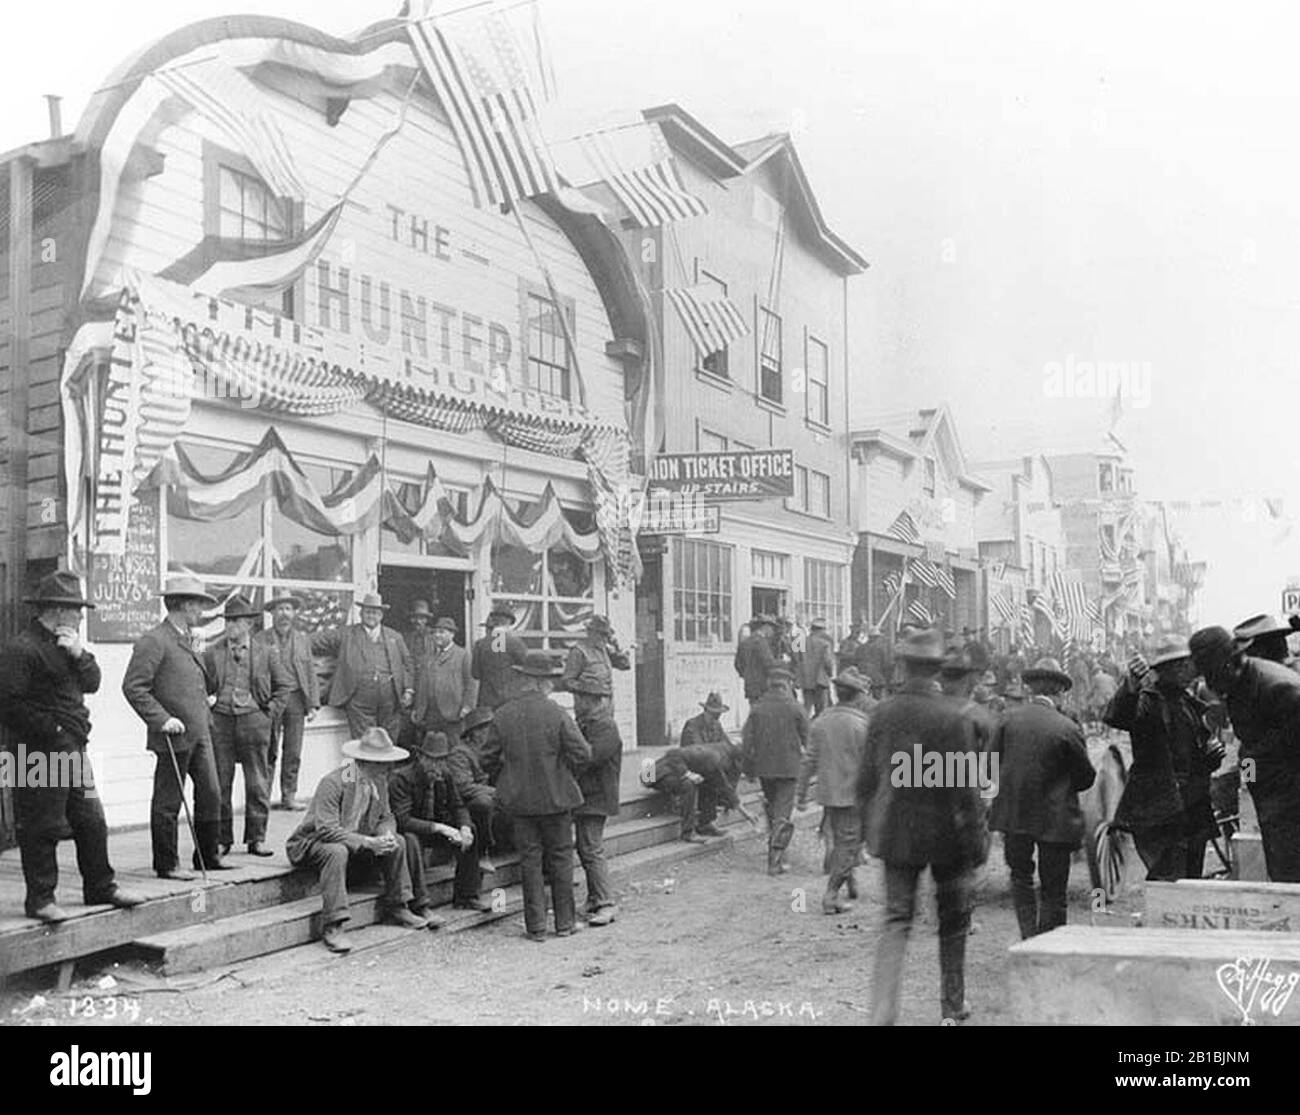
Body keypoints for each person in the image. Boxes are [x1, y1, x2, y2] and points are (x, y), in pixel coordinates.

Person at [857, 627, 988, 1026]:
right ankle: (952, 1008)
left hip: (897, 831)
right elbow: (966, 791)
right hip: (948, 834)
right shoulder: (956, 716)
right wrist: (978, 840)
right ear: (938, 669)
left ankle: (882, 1014)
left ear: (903, 665)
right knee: (953, 923)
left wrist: (869, 830)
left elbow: (866, 781)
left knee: (896, 921)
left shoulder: (882, 712)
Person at [0, 571, 144, 921]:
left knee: (92, 820)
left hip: (73, 750)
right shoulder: (21, 648)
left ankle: (100, 887)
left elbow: (93, 682)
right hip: (34, 752)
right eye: (77, 610)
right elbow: (10, 704)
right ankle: (40, 900)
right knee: (42, 825)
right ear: (59, 611)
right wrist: (57, 728)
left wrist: (79, 652)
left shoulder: (68, 645)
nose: (80, 616)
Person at [286, 727, 430, 953]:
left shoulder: (378, 781)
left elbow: (387, 816)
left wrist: (386, 835)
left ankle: (398, 905)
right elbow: (327, 830)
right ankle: (333, 924)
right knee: (336, 851)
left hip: (353, 842)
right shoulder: (335, 782)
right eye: (383, 762)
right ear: (367, 762)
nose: (388, 768)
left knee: (400, 842)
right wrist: (368, 842)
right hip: (313, 844)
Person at [122, 575, 228, 879]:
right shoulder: (154, 640)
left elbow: (203, 680)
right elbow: (134, 687)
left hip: (201, 731)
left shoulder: (191, 637)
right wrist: (162, 719)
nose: (201, 610)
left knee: (210, 792)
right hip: (173, 734)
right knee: (168, 800)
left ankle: (207, 857)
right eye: (197, 604)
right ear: (181, 604)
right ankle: (167, 864)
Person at [989, 656, 1096, 939]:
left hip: (1013, 815)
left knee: (1020, 878)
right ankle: (1049, 944)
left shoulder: (1006, 720)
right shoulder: (1067, 727)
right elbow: (1086, 778)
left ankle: (1028, 937)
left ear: (1030, 690)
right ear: (1059, 692)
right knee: (1053, 889)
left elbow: (988, 765)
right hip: (1056, 819)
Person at [1103, 636, 1222, 881]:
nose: (1189, 670)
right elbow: (1117, 716)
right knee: (1167, 882)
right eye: (1181, 665)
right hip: (1159, 809)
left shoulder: (1189, 704)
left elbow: (1196, 756)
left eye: (1187, 664)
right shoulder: (1148, 700)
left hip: (1192, 809)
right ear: (1165, 670)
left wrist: (1212, 756)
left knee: (1191, 882)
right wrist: (1132, 684)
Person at [493, 650, 592, 940]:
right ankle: (565, 923)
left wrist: (511, 771)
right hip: (557, 798)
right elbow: (583, 754)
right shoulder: (558, 713)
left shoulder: (503, 714)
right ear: (545, 682)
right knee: (561, 859)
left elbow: (486, 758)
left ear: (524, 679)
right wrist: (563, 771)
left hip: (520, 802)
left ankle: (535, 927)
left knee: (530, 862)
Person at [1189, 626, 1300, 882]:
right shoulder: (1239, 685)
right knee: (1283, 871)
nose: (1209, 682)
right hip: (1275, 801)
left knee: (1291, 874)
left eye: (1212, 673)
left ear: (1230, 663)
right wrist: (1244, 779)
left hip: (1291, 802)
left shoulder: (1281, 690)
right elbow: (1249, 748)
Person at [205, 595, 292, 858]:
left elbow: (284, 686)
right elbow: (201, 684)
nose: (231, 625)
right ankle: (222, 840)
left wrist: (269, 715)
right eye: (228, 620)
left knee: (257, 783)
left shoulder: (265, 652)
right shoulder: (213, 652)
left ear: (249, 624)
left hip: (255, 722)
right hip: (220, 721)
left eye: (237, 621)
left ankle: (257, 838)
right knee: (220, 782)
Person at [390, 730, 488, 919]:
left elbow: (458, 805)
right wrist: (441, 828)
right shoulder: (401, 778)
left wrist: (464, 827)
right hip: (412, 829)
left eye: (442, 760)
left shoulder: (446, 774)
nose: (436, 766)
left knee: (471, 830)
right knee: (410, 840)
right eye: (431, 760)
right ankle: (420, 904)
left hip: (437, 827)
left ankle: (467, 895)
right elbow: (403, 819)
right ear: (420, 757)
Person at [796, 669, 870, 913]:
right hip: (853, 795)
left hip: (829, 793)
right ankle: (831, 896)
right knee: (849, 844)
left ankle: (850, 881)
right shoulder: (862, 725)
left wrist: (801, 793)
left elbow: (809, 760)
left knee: (842, 840)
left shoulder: (821, 721)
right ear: (857, 697)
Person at [313, 592, 413, 740]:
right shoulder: (347, 634)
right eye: (368, 612)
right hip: (359, 702)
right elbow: (317, 641)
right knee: (363, 743)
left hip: (390, 701)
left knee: (388, 743)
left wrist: (409, 690)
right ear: (361, 613)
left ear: (381, 615)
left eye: (375, 612)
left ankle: (385, 765)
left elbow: (408, 664)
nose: (371, 616)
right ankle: (360, 765)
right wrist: (292, 641)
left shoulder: (394, 637)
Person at [742, 665, 809, 875]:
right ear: (787, 684)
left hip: (764, 768)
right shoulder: (796, 707)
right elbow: (809, 739)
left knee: (772, 809)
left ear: (769, 684)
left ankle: (778, 852)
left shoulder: (757, 708)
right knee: (783, 813)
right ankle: (775, 859)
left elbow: (746, 743)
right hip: (789, 769)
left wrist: (749, 770)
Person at [256, 594, 320, 810]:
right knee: (268, 750)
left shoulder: (302, 640)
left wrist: (312, 703)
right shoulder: (260, 639)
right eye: (280, 609)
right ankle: (262, 797)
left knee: (293, 751)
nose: (284, 614)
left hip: (295, 699)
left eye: (288, 609)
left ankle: (289, 796)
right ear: (272, 614)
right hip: (271, 700)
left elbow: (311, 673)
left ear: (294, 614)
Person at [573, 698, 623, 926]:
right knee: (585, 847)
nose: (576, 702)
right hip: (587, 795)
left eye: (580, 698)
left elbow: (591, 757)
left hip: (597, 796)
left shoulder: (605, 726)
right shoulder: (587, 723)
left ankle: (606, 903)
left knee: (591, 848)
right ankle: (594, 898)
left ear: (593, 701)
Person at [448, 707, 501, 870]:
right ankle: (482, 852)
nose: (488, 733)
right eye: (484, 729)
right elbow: (463, 787)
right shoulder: (459, 752)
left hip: (496, 798)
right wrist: (497, 793)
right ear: (473, 732)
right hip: (466, 806)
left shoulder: (493, 750)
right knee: (482, 803)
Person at [413, 616, 476, 745]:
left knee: (454, 748)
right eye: (435, 632)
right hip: (429, 713)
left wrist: (467, 706)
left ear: (452, 635)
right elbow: (420, 684)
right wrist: (417, 708)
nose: (437, 635)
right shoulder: (427, 657)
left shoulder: (462, 655)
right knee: (431, 749)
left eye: (442, 632)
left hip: (453, 712)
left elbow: (471, 683)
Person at [561, 614, 630, 721]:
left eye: (606, 635)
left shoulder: (604, 650)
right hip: (589, 715)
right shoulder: (579, 652)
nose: (604, 638)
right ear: (590, 633)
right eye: (600, 634)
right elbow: (567, 681)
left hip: (606, 713)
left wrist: (617, 647)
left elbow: (624, 665)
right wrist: (589, 688)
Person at [471, 605, 527, 710]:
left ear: (493, 621)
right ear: (509, 623)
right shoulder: (516, 643)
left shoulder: (480, 644)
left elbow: (475, 674)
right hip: (511, 701)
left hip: (487, 702)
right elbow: (526, 670)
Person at [735, 615, 777, 708]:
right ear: (765, 627)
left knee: (754, 712)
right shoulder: (761, 642)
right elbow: (769, 664)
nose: (772, 631)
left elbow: (738, 664)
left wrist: (746, 675)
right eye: (771, 628)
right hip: (763, 686)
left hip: (750, 685)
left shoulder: (745, 642)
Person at [798, 617, 836, 716]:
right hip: (820, 680)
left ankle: (804, 727)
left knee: (807, 707)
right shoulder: (825, 644)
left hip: (806, 679)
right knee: (821, 710)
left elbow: (795, 657)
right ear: (821, 630)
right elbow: (828, 662)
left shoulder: (801, 642)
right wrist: (831, 673)